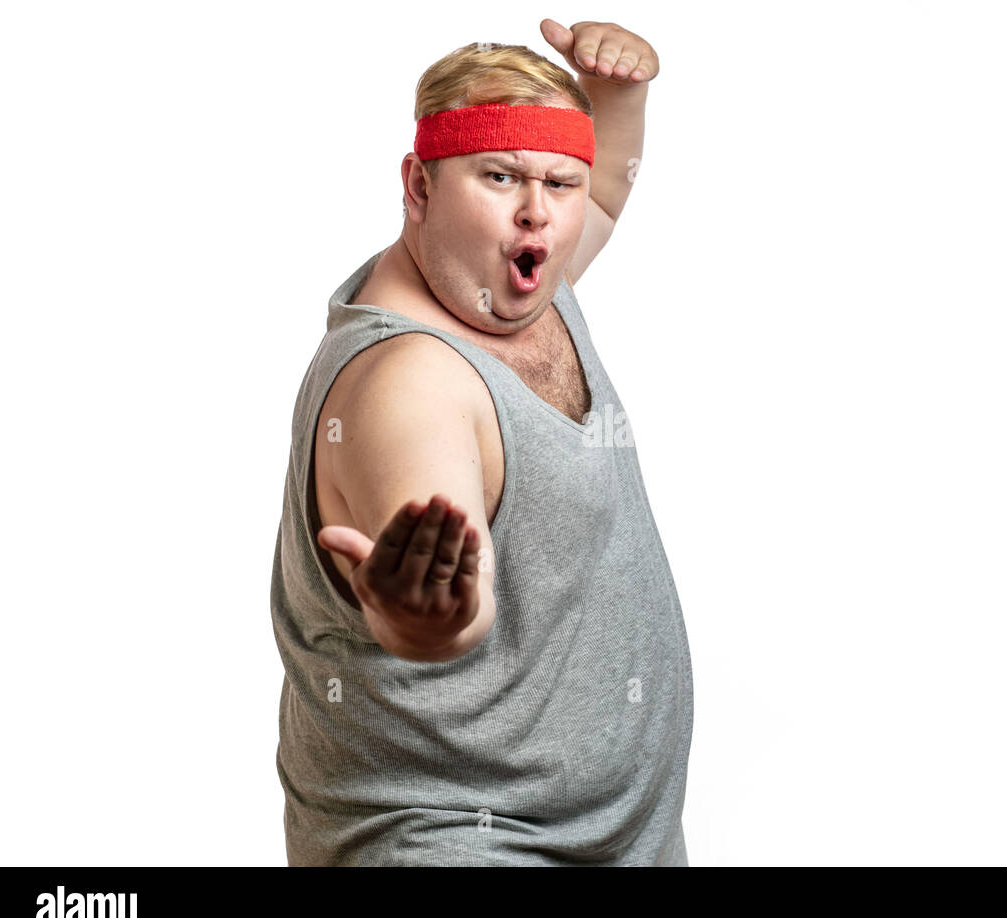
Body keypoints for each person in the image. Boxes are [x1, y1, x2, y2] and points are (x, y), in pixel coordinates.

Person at [268, 20, 693, 865]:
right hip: (458, 844)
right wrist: (428, 617)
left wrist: (620, 92)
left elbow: (603, 193)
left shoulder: (515, 278)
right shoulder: (408, 383)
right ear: (418, 186)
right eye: (498, 177)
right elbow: (451, 606)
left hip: (600, 836)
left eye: (558, 182)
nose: (539, 211)